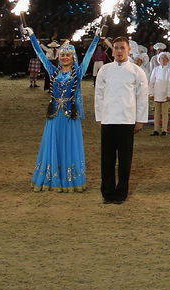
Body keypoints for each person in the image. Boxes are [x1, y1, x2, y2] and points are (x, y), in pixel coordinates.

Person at [25, 27, 99, 192]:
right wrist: (32, 36)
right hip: (54, 115)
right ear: (59, 57)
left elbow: (88, 56)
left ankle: (68, 179)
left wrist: (96, 38)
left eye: (68, 55)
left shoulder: (78, 73)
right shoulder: (52, 71)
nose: (65, 57)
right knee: (53, 144)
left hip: (70, 115)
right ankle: (52, 178)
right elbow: (41, 55)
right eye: (63, 55)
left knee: (68, 144)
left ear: (73, 58)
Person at [94, 36, 148, 204]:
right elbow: (99, 95)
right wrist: (100, 117)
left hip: (127, 120)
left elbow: (142, 97)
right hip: (108, 120)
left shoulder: (137, 71)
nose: (118, 51)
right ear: (112, 50)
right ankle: (108, 193)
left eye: (122, 48)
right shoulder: (105, 70)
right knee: (107, 159)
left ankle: (121, 193)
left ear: (128, 50)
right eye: (116, 48)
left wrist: (140, 120)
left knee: (125, 159)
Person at [148, 51, 170, 136]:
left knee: (164, 113)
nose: (163, 60)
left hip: (165, 94)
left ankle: (164, 130)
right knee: (156, 112)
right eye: (161, 58)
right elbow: (151, 82)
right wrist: (151, 93)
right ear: (159, 59)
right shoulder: (155, 69)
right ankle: (156, 129)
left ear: (168, 59)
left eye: (165, 58)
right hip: (156, 93)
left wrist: (169, 95)